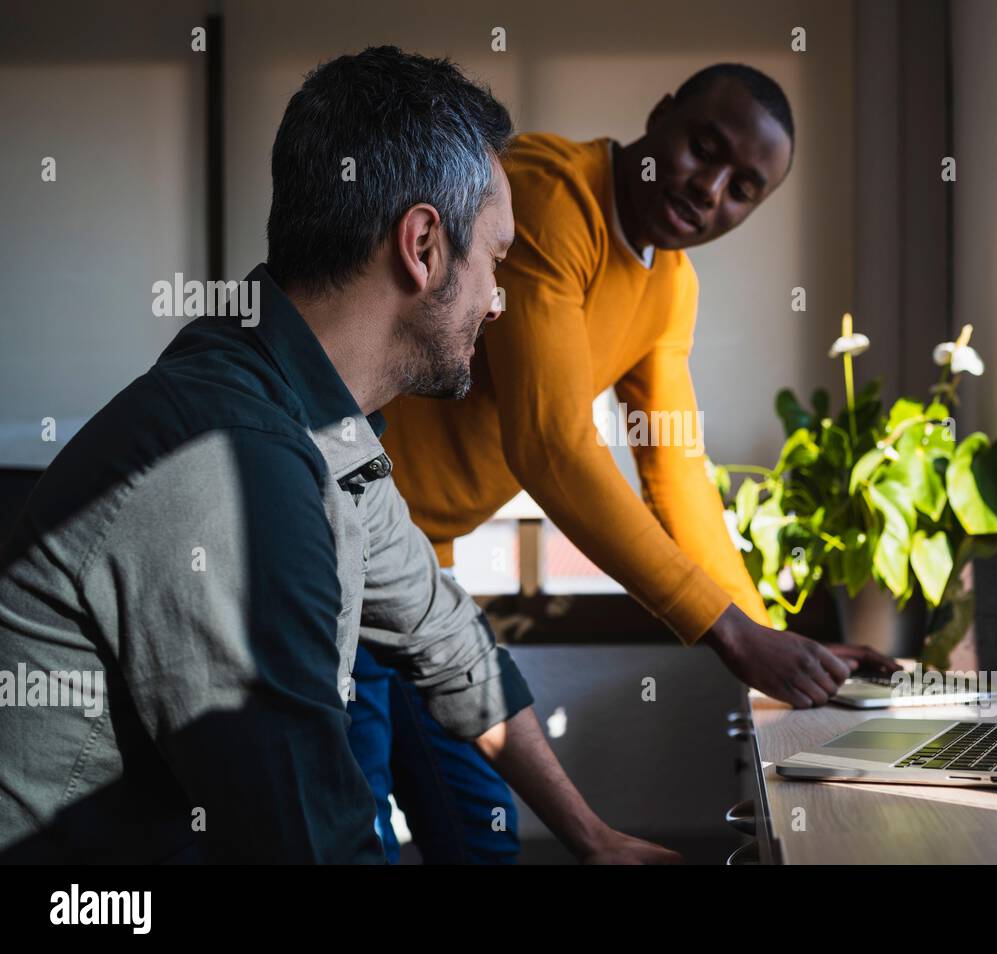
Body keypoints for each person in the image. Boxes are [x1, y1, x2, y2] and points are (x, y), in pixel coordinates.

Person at [0, 46, 679, 865]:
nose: (500, 301)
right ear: (424, 245)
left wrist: (597, 841)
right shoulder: (229, 459)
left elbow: (447, 639)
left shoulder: (319, 422)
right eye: (496, 261)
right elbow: (305, 837)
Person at [366, 64, 900, 862]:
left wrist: (767, 636)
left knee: (479, 834)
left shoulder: (670, 287)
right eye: (703, 148)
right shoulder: (554, 198)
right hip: (350, 542)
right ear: (660, 116)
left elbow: (675, 467)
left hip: (424, 566)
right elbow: (550, 446)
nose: (710, 187)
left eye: (743, 187)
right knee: (350, 831)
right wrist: (728, 635)